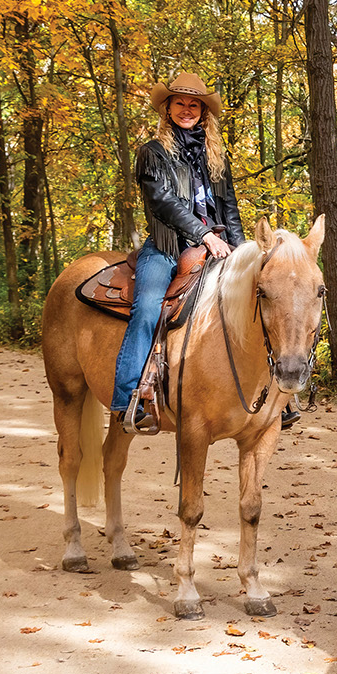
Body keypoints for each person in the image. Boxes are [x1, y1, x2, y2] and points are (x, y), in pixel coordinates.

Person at [111, 72, 247, 433]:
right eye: (180, 103)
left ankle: (274, 398)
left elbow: (229, 207)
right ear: (167, 108)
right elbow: (164, 203)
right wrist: (203, 235)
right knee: (146, 310)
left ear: (203, 111)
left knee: (262, 300)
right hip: (169, 247)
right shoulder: (152, 153)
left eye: (194, 104)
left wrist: (243, 250)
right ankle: (128, 400)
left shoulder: (215, 154)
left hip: (219, 245)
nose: (187, 109)